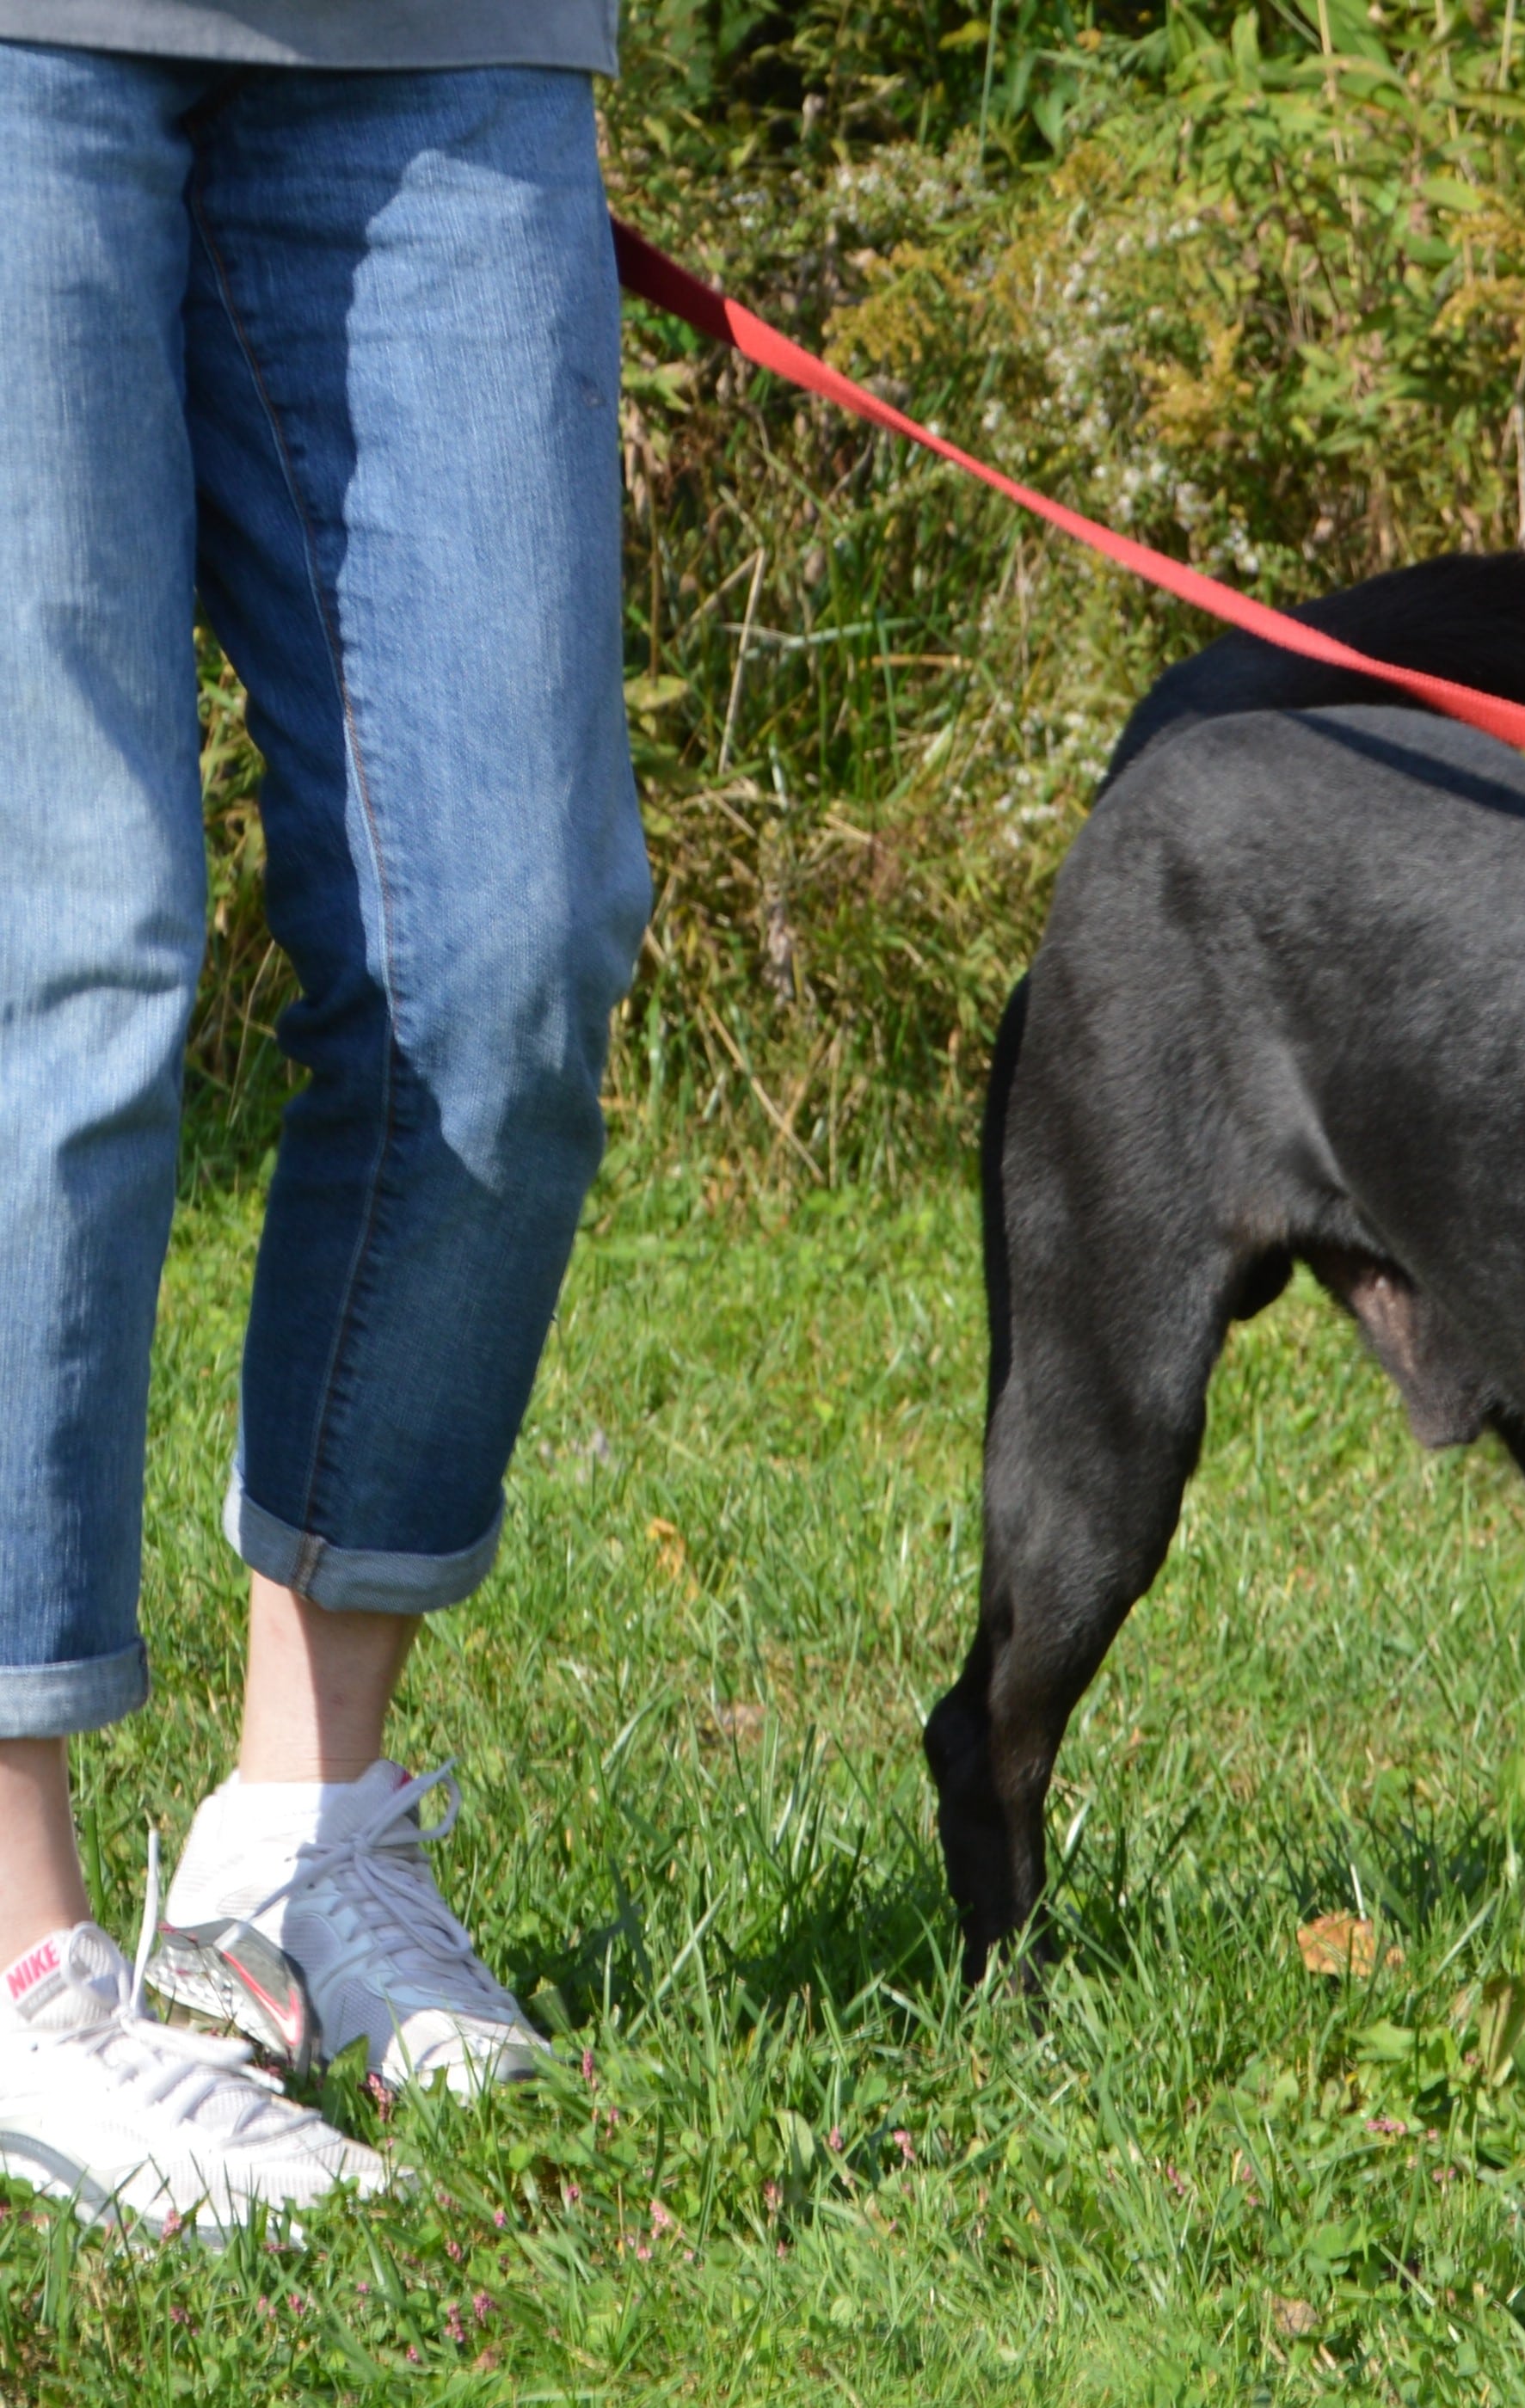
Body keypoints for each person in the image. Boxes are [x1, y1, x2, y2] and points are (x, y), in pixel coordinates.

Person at [0, 1, 648, 2232]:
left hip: (448, 35)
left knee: (511, 948)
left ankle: (296, 1838)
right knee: (57, 948)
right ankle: (20, 1957)